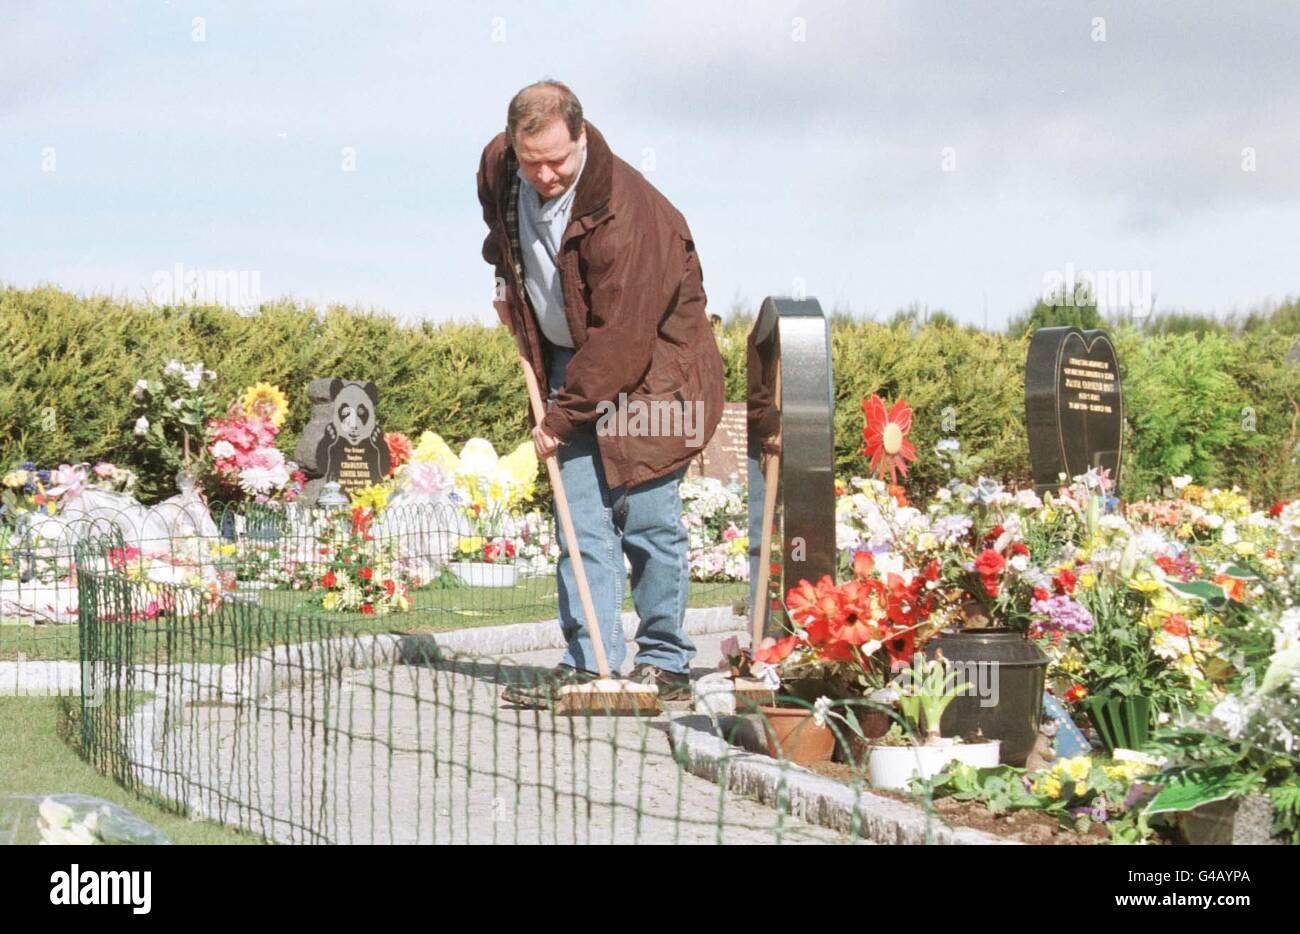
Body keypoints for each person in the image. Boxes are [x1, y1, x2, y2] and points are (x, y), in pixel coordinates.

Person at [475, 80, 725, 706]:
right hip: (570, 361)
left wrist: (559, 421)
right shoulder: (501, 167)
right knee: (578, 519)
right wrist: (510, 281)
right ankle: (591, 664)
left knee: (647, 522)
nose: (546, 175)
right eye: (532, 163)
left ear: (581, 136)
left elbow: (621, 342)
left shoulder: (628, 215)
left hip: (655, 377)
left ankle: (666, 664)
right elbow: (499, 230)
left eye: (557, 160)